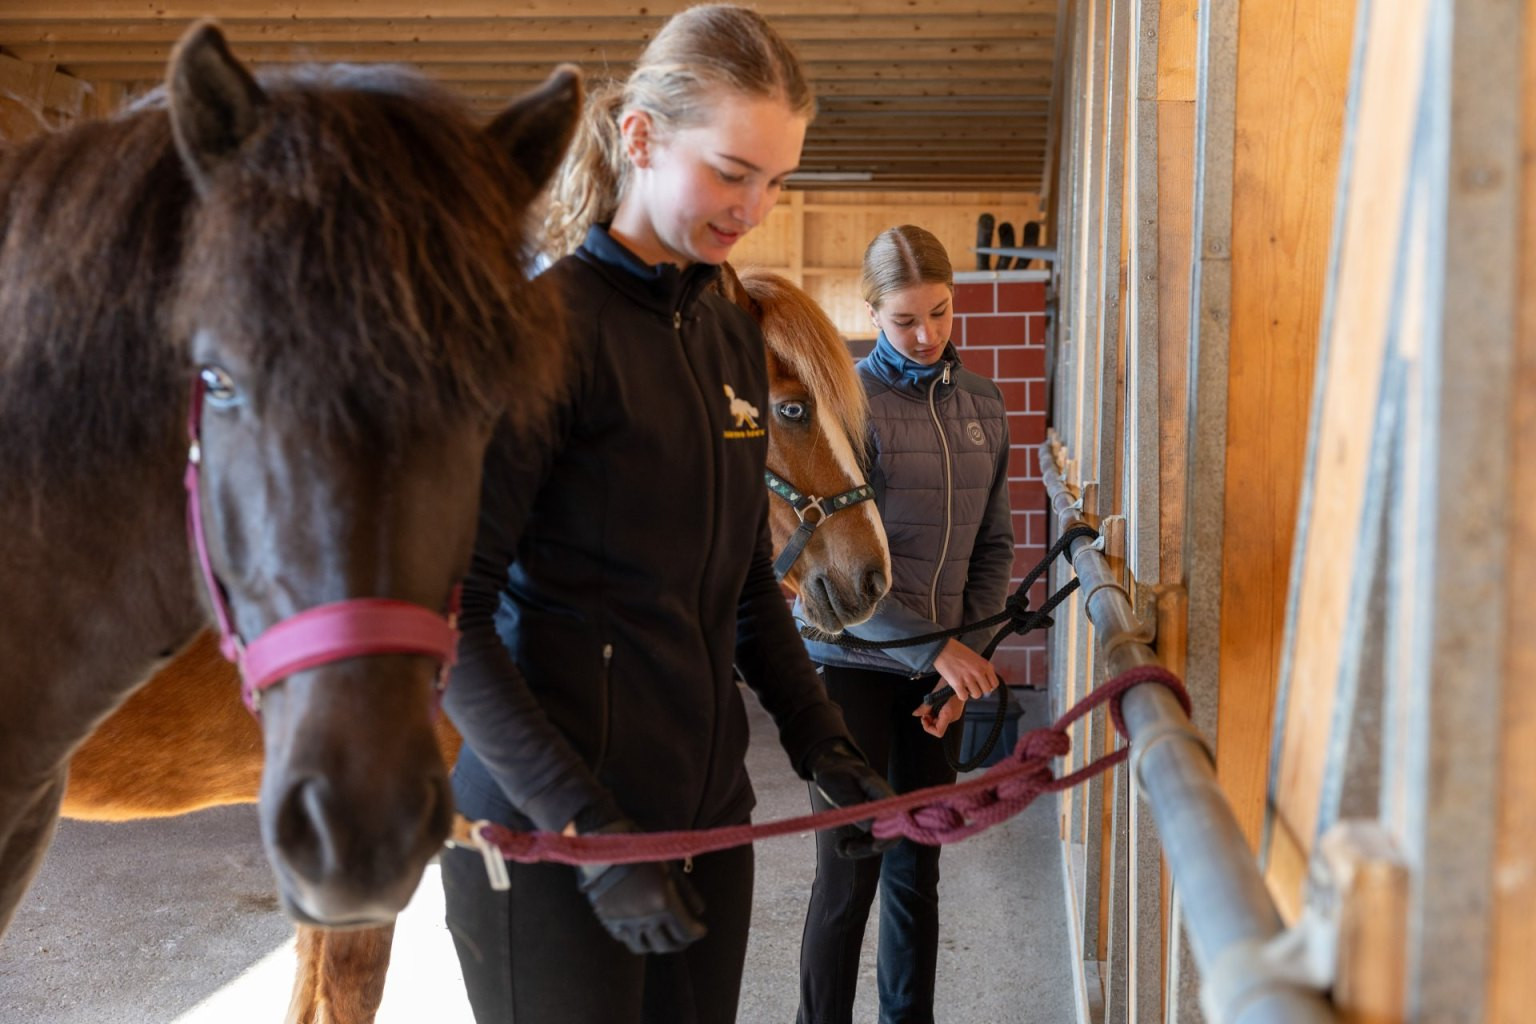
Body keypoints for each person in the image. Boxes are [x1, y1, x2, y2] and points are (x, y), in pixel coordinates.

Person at [437, 7, 895, 1023]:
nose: (755, 208)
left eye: (776, 182)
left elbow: (739, 580)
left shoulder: (729, 339)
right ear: (640, 137)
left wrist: (822, 743)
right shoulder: (544, 335)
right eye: (731, 172)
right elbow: (451, 625)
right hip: (555, 841)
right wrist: (587, 832)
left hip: (703, 825)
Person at [797, 224, 1015, 1024]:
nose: (925, 337)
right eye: (904, 321)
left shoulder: (984, 405)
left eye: (941, 314)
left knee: (918, 867)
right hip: (851, 663)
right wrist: (939, 647)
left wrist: (971, 661)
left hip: (940, 673)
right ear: (873, 312)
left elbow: (995, 544)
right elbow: (825, 571)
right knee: (850, 869)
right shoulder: (847, 408)